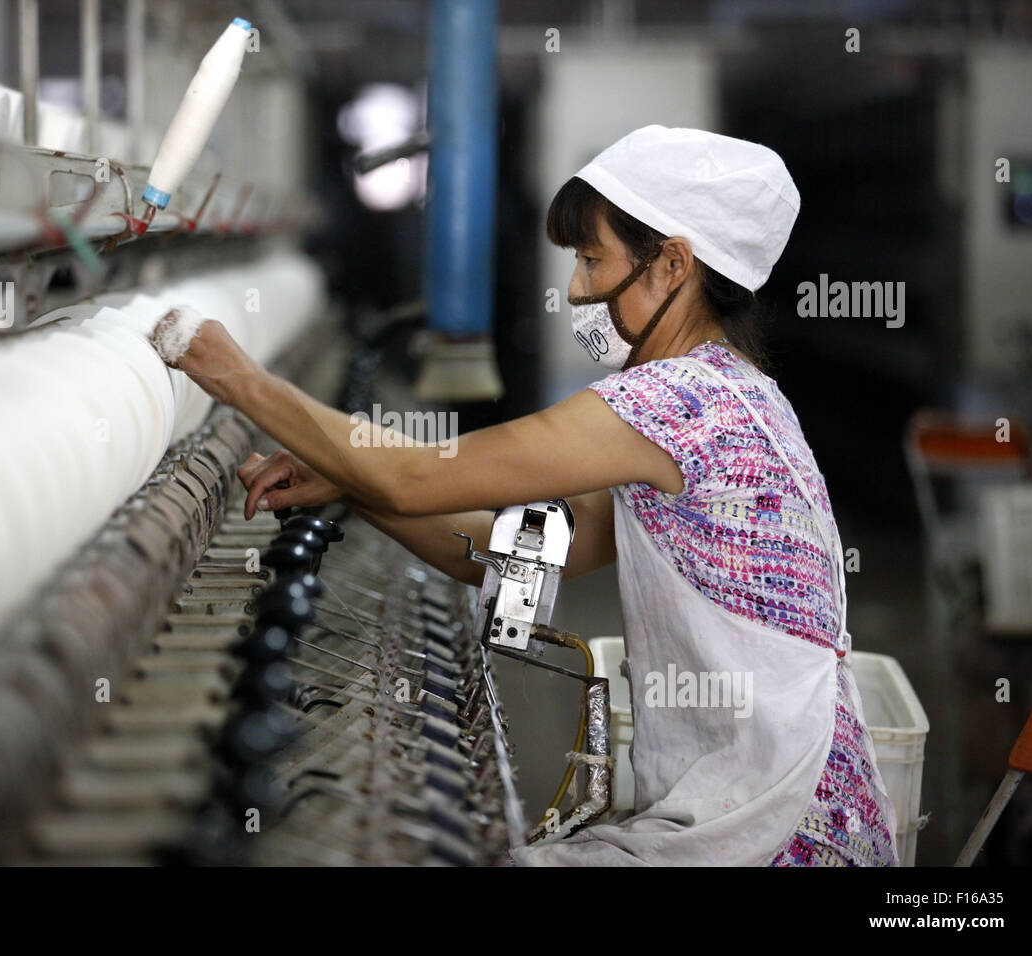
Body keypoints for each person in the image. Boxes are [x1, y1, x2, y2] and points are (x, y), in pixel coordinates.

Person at [154, 125, 899, 866]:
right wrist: (350, 484)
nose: (575, 287)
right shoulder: (739, 397)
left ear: (671, 264)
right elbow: (525, 560)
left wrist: (231, 373)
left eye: (591, 258)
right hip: (806, 817)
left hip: (775, 837)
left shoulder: (678, 403)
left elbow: (417, 473)